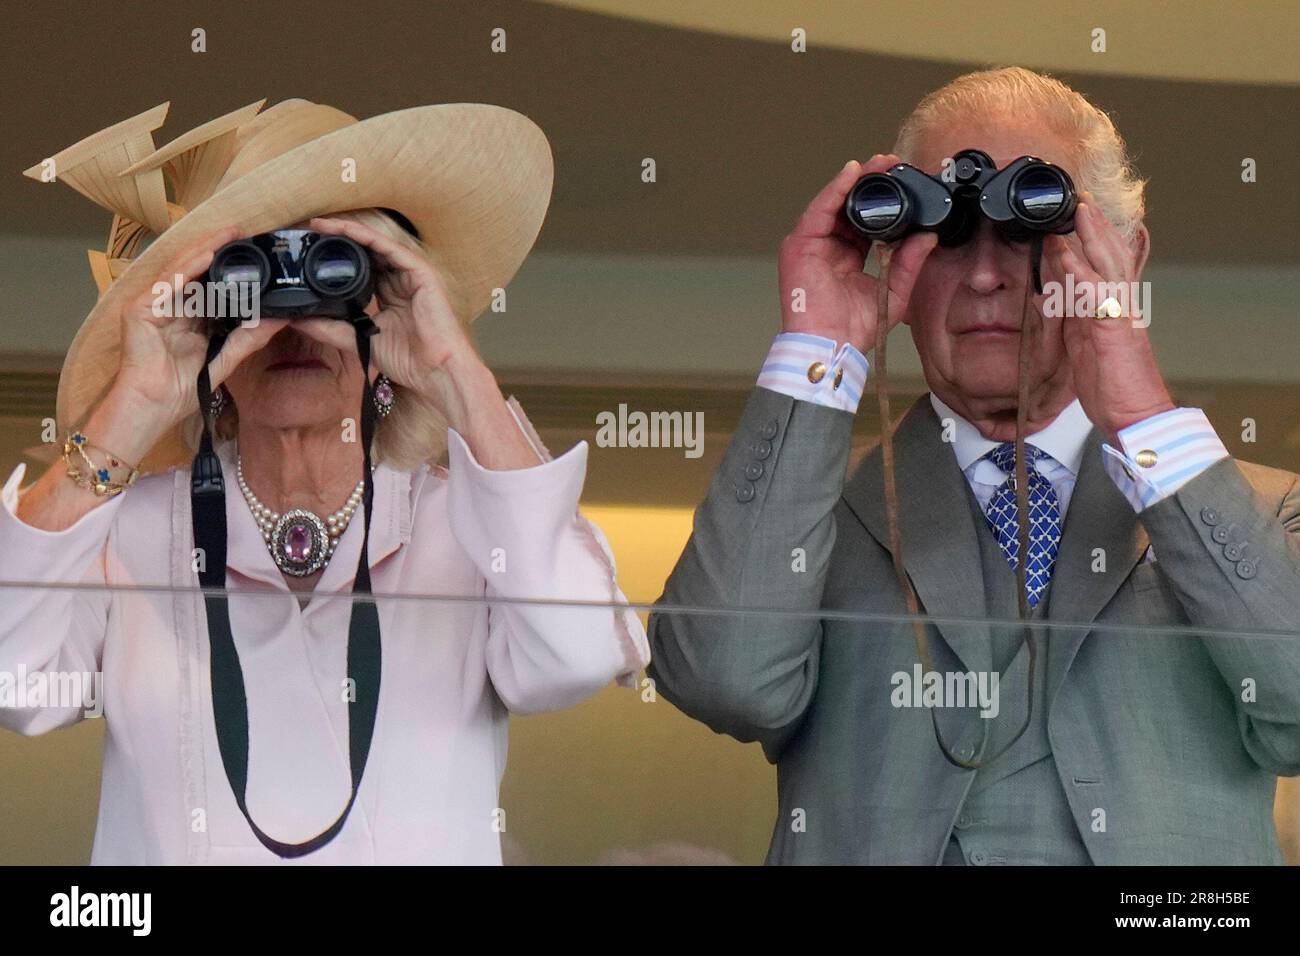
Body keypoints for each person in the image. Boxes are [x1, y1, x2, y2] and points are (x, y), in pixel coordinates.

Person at [647, 67, 1300, 865]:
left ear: (1122, 256)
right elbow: (721, 681)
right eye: (947, 232)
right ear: (892, 259)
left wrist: (1142, 418)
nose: (987, 275)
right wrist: (815, 350)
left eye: (1030, 227)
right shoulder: (813, 508)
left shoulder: (1266, 511)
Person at [0, 98, 649, 864]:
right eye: (250, 284)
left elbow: (574, 655)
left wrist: (453, 369)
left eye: (332, 273)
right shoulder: (128, 535)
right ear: (205, 320)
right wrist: (133, 408)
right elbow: (13, 682)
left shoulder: (469, 528)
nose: (295, 319)